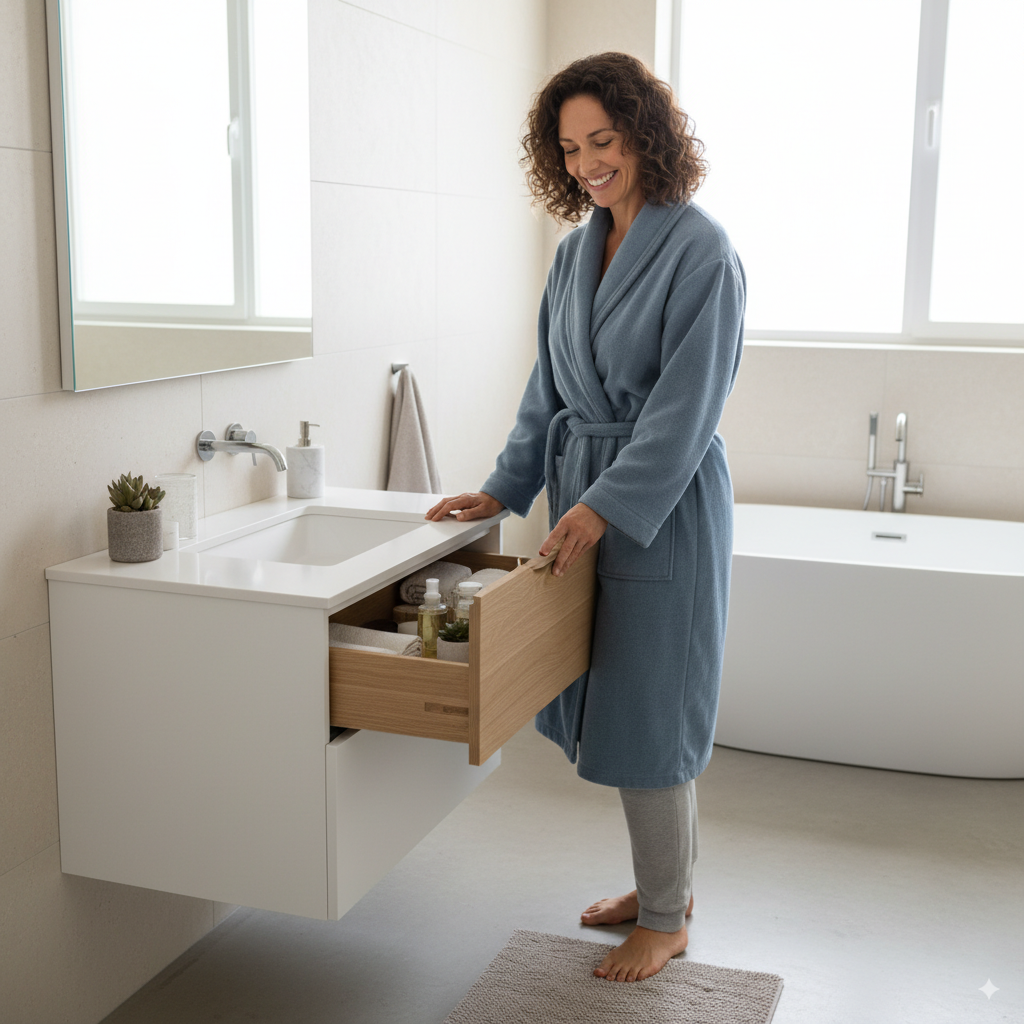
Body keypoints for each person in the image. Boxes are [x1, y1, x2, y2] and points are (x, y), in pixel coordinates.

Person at [426, 52, 745, 983]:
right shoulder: (575, 252)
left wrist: (607, 507)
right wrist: (504, 489)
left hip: (662, 508)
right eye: (568, 149)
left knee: (654, 709)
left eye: (601, 141)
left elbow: (687, 410)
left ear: (645, 134)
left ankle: (663, 917)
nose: (587, 164)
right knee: (619, 700)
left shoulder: (702, 251)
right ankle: (667, 890)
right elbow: (548, 392)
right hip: (585, 493)